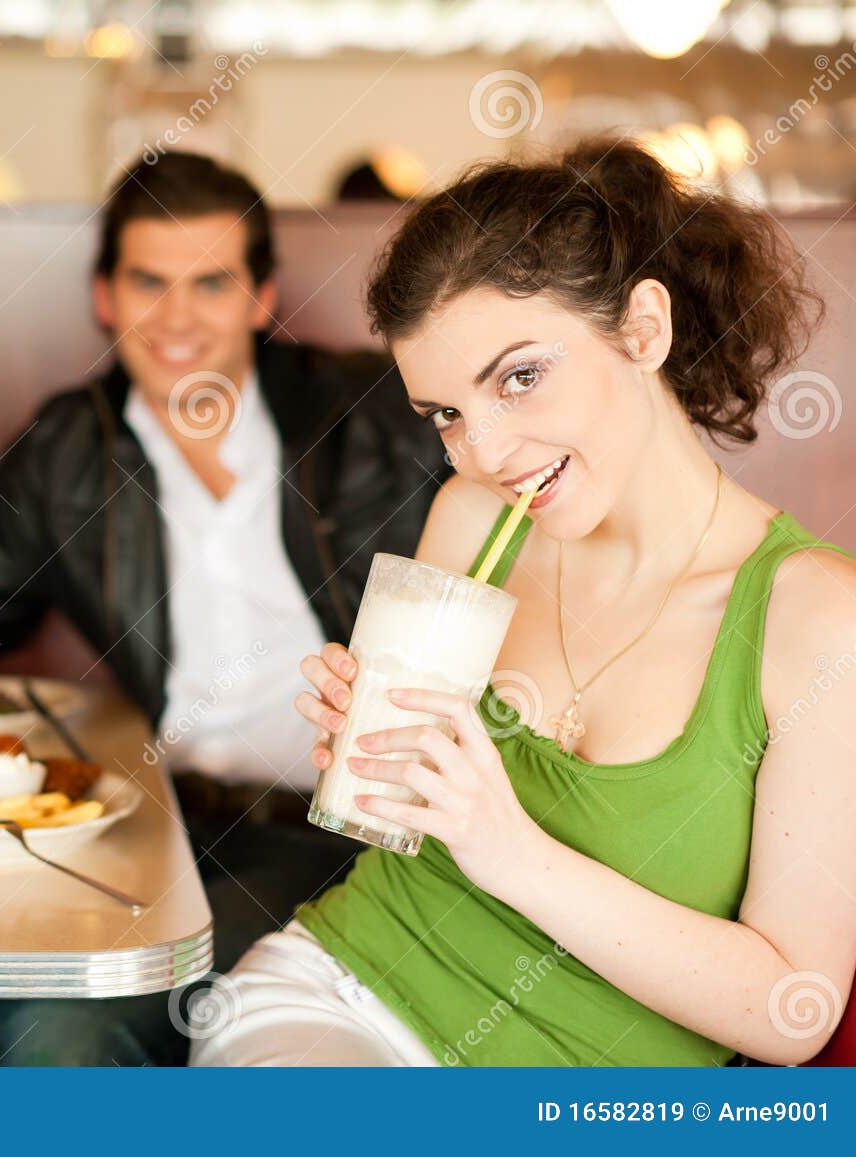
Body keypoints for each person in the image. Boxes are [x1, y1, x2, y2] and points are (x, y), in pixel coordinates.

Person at [0, 151, 447, 1066]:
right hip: (147, 821)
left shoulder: (378, 412)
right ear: (105, 297)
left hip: (329, 834)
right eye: (149, 282)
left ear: (262, 298)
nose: (176, 318)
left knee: (71, 1019)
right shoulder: (72, 449)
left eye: (210, 283)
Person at [194, 138, 856, 1067]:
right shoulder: (479, 520)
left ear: (643, 330)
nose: (487, 453)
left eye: (519, 377)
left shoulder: (818, 620)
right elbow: (396, 794)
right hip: (342, 997)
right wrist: (378, 753)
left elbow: (793, 1017)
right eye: (447, 414)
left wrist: (509, 850)